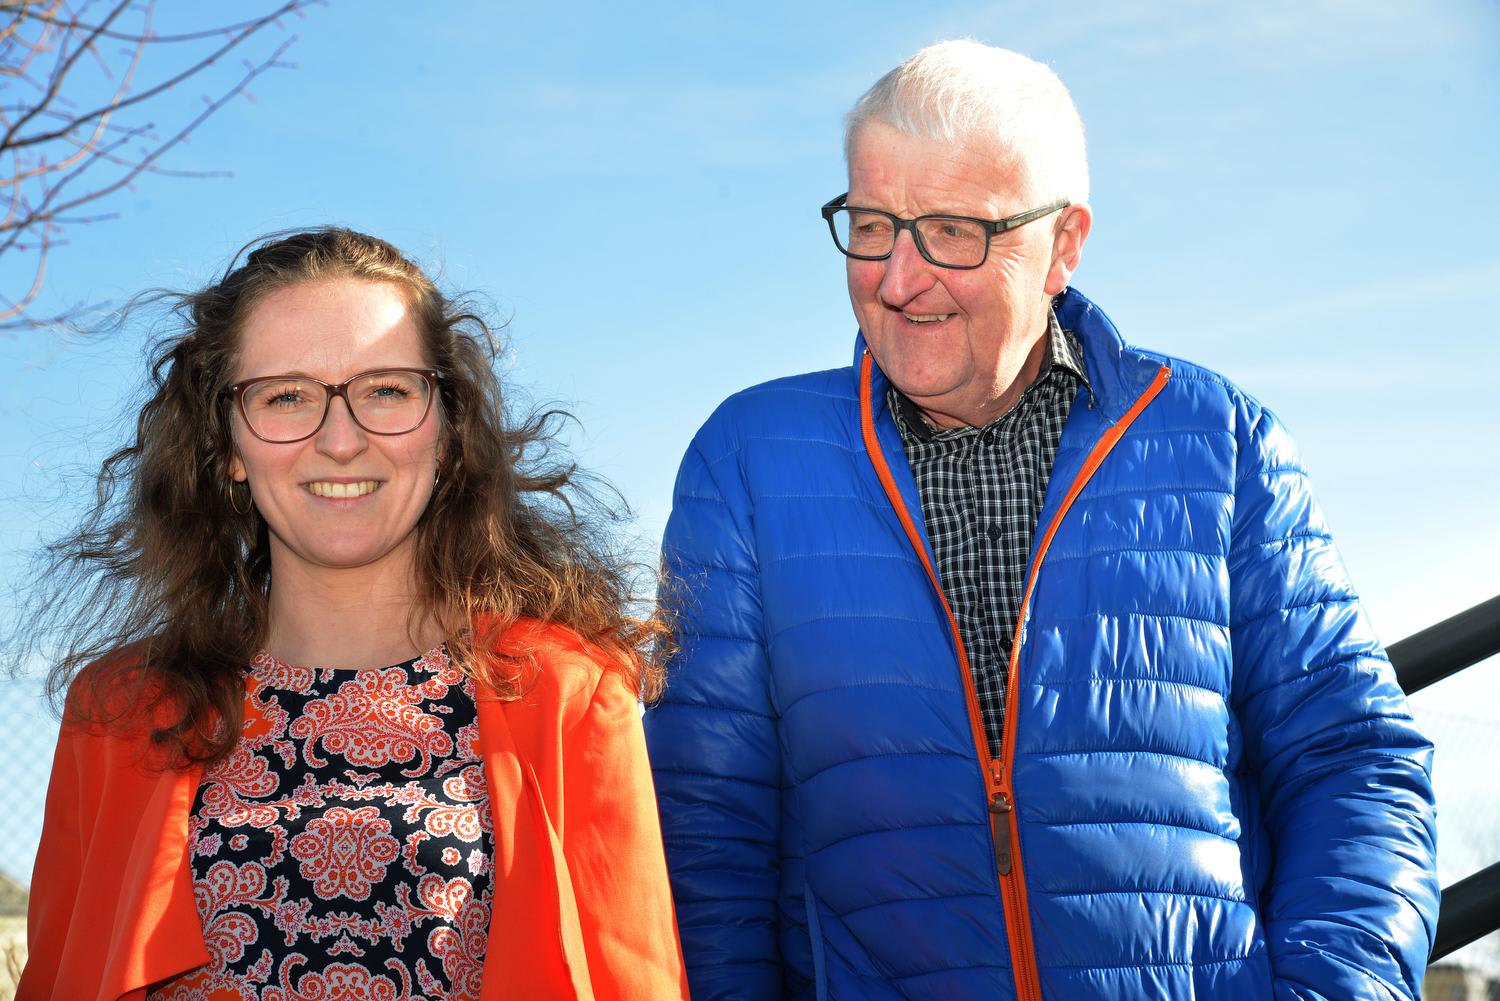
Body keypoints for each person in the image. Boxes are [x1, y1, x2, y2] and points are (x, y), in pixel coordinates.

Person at [645, 40, 1439, 1001]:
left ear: (1064, 245)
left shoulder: (1219, 442)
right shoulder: (748, 461)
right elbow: (704, 831)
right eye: (873, 225)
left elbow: (1354, 762)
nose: (897, 278)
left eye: (952, 232)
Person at [18, 228, 689, 1001]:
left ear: (447, 430)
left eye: (386, 390)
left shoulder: (569, 693)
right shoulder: (119, 710)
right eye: (286, 396)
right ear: (226, 444)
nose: (341, 440)